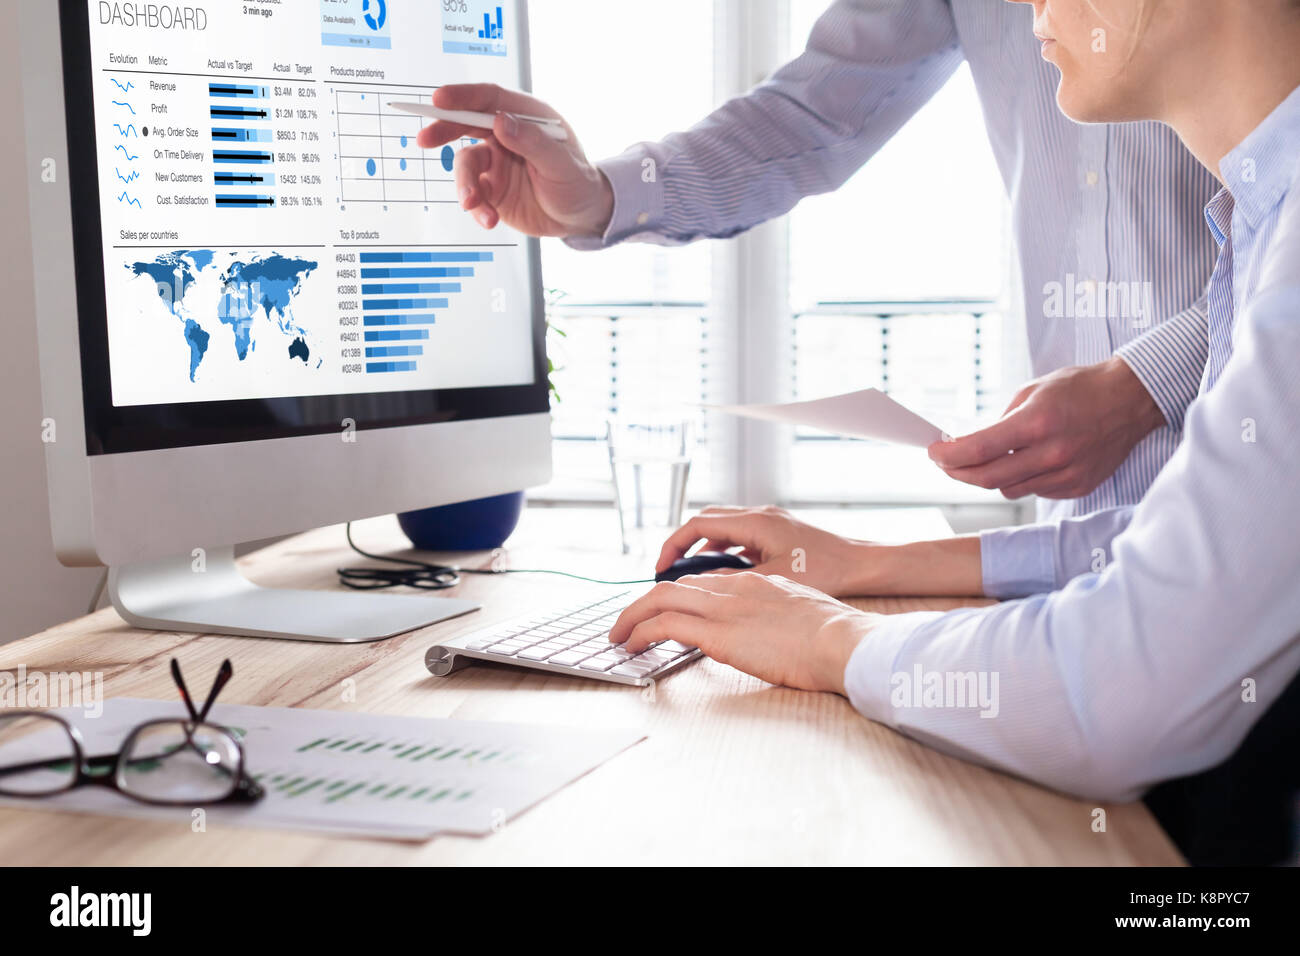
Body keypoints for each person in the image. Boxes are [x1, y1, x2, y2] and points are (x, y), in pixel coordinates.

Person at [599, 0, 1300, 850]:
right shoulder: (1259, 222)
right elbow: (1186, 551)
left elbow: (1118, 686)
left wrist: (828, 638)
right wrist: (867, 568)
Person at [418, 0, 1218, 519]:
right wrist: (598, 196)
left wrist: (1148, 383)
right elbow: (815, 116)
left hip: (1256, 497)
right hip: (1082, 531)